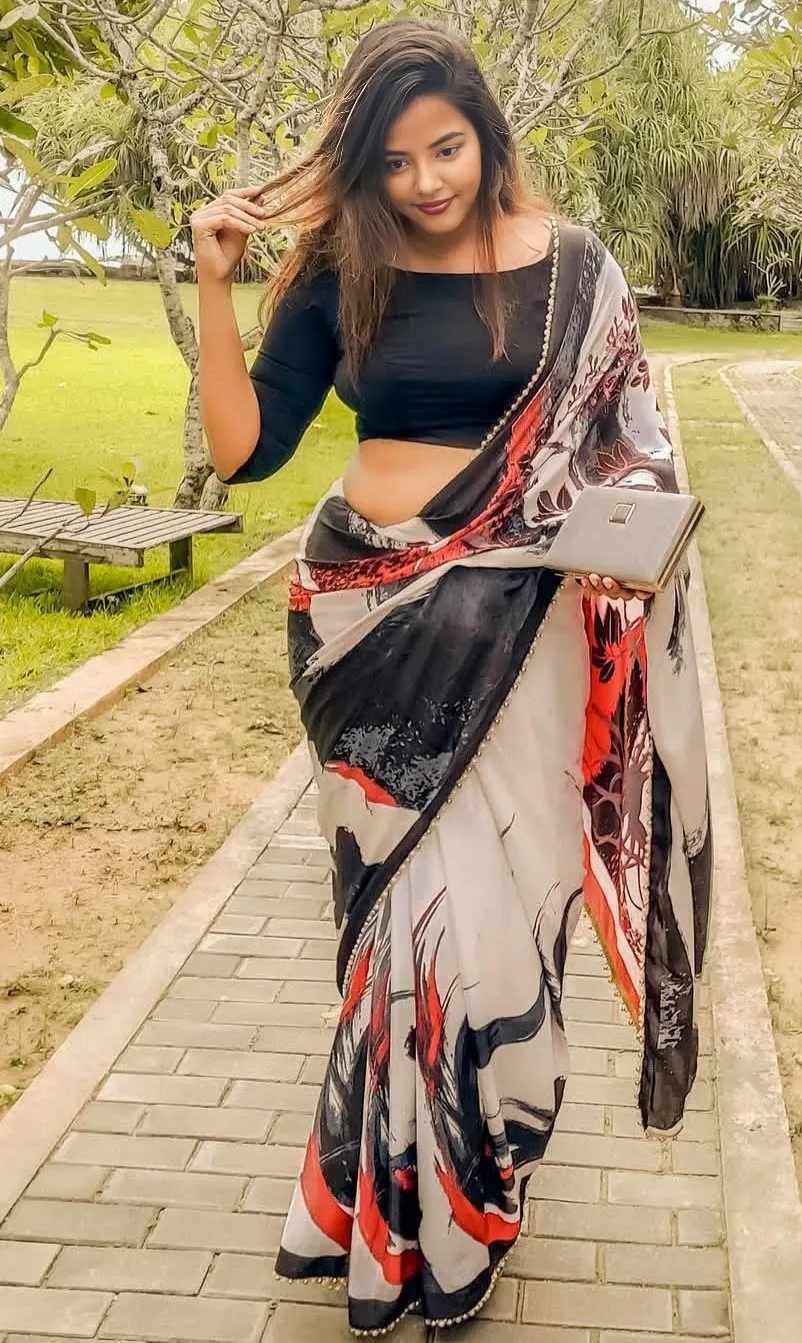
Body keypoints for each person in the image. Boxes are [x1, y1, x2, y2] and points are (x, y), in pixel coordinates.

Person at [191, 17, 712, 1336]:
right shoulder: (339, 270)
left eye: (447, 149)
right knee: (397, 936)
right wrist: (214, 284)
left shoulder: (574, 269)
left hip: (521, 646)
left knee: (494, 928)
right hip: (362, 633)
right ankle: (379, 1214)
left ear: (487, 134)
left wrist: (618, 529)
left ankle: (474, 1194)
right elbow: (247, 451)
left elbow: (637, 443)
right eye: (396, 160)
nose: (426, 180)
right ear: (361, 166)